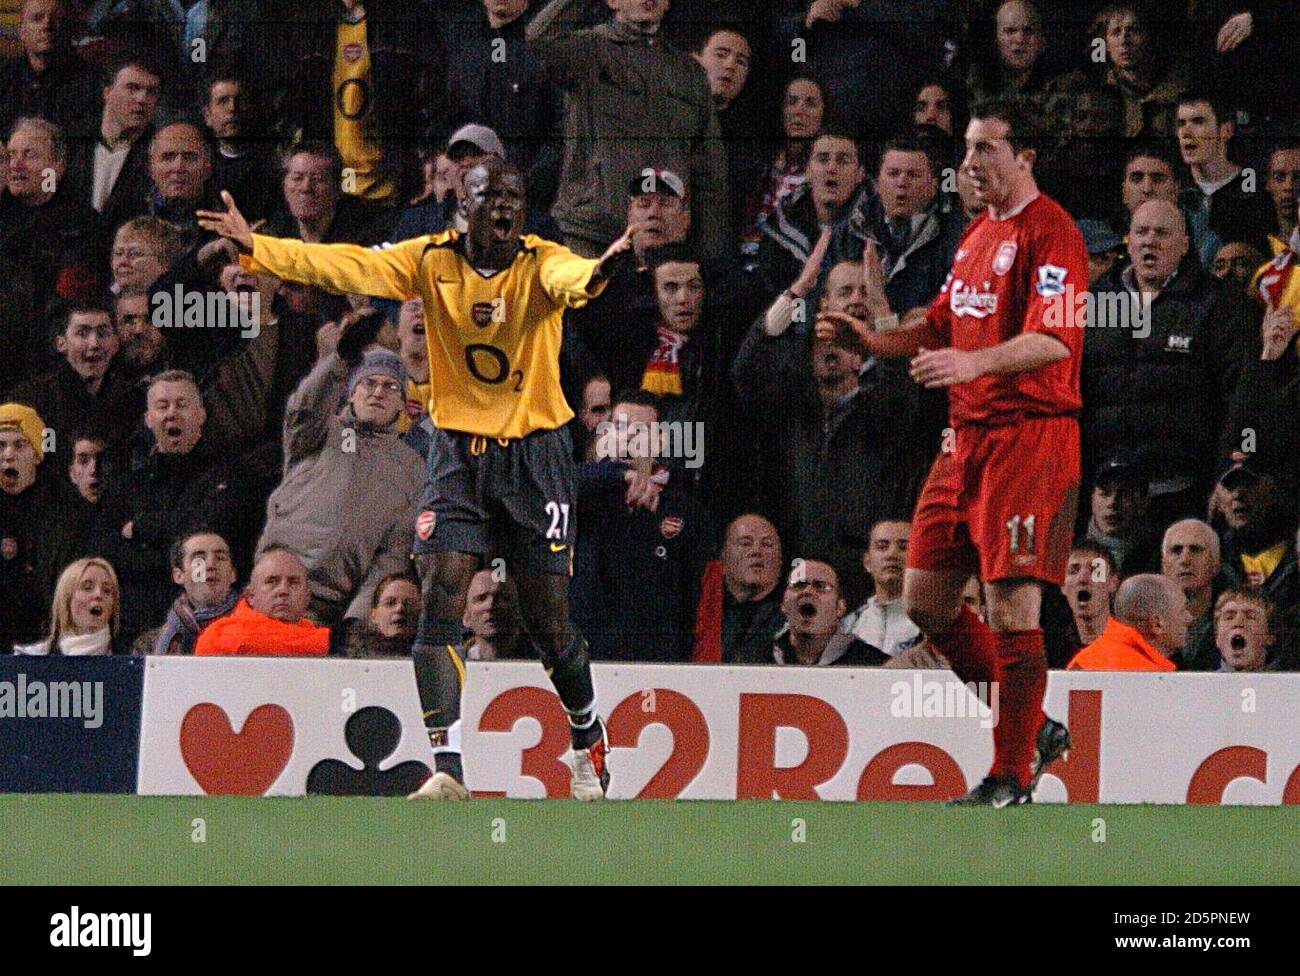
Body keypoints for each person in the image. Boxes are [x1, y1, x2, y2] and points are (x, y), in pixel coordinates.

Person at [197, 156, 641, 801]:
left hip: (535, 457)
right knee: (441, 593)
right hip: (458, 455)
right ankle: (448, 769)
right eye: (492, 194)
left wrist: (602, 269)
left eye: (517, 194)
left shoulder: (540, 261)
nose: (506, 206)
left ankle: (586, 740)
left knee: (548, 623)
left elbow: (576, 278)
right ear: (464, 206)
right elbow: (347, 264)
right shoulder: (428, 259)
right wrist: (260, 248)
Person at [814, 96, 1087, 805]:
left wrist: (975, 364)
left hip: (1030, 436)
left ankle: (1009, 772)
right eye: (967, 149)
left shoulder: (1053, 231)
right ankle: (1033, 728)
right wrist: (870, 341)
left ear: (1024, 157)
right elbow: (936, 327)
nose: (971, 163)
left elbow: (1057, 339)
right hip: (964, 442)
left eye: (987, 149)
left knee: (1012, 612)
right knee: (926, 600)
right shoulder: (973, 237)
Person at [1082, 200, 1256, 523]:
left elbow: (1239, 396)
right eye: (1141, 232)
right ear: (1128, 241)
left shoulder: (1217, 304)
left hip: (1183, 490)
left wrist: (1223, 472)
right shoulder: (1094, 300)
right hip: (1105, 489)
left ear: (1184, 245)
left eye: (1162, 233)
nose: (1150, 241)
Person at [256, 313, 424, 629]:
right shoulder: (320, 432)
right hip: (272, 591)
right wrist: (337, 361)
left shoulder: (413, 468)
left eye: (390, 387)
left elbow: (393, 554)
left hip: (329, 610)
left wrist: (359, 618)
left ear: (403, 403)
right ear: (351, 392)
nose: (378, 392)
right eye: (368, 383)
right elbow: (302, 409)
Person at [527, 0, 729, 259]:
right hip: (590, 233)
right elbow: (537, 40)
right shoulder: (588, 49)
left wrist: (711, 257)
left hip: (662, 239)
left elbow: (710, 173)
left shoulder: (689, 74)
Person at [571, 389, 713, 662]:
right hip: (586, 659)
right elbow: (561, 483)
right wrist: (620, 476)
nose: (628, 438)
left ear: (660, 441)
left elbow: (691, 602)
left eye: (640, 431)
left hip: (653, 665)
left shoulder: (683, 509)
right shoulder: (585, 495)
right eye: (620, 428)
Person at [1175, 89, 1277, 266]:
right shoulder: (1174, 190)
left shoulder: (1257, 190)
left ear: (1226, 130)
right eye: (1181, 123)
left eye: (1198, 122)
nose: (1186, 132)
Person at [63, 53, 163, 228]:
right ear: (107, 93)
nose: (142, 99)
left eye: (151, 92)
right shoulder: (69, 143)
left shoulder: (161, 154)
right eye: (132, 88)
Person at [739, 75, 823, 257]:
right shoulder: (759, 163)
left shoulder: (824, 172)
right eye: (791, 102)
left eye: (810, 103)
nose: (799, 111)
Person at [195, 546, 331, 656]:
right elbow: (248, 640)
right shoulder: (219, 634)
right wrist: (328, 643)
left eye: (293, 582)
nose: (283, 590)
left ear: (308, 597)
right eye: (272, 582)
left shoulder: (311, 632)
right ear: (250, 596)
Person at [692, 512, 784, 664]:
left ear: (780, 560)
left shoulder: (792, 615)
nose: (756, 551)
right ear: (723, 557)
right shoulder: (701, 609)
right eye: (745, 543)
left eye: (767, 544)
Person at [0, 0, 101, 137]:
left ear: (68, 27)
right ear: (22, 31)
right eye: (37, 18)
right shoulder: (4, 78)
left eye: (57, 19)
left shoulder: (93, 83)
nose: (46, 25)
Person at [0, 402, 55, 650]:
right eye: (0, 446)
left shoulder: (59, 511)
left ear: (36, 454)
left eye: (19, 445)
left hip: (41, 641)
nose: (8, 455)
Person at [135, 528, 239, 655]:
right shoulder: (149, 645)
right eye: (199, 559)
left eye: (220, 558)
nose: (211, 565)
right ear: (178, 575)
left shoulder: (255, 632)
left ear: (233, 574)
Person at [1065, 573, 1189, 671]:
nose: (1189, 618)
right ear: (1157, 624)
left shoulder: (1084, 661)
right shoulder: (1150, 678)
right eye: (1182, 611)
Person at [772, 558, 880, 666]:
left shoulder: (872, 664)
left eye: (821, 587)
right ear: (783, 604)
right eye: (798, 585)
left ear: (839, 607)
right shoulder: (759, 655)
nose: (807, 591)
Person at [842, 518, 924, 660]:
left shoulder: (934, 625)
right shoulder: (847, 627)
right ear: (867, 562)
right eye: (882, 547)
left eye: (904, 547)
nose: (892, 555)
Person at [13, 556, 119, 656]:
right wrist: (23, 675)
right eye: (87, 587)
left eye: (107, 590)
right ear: (66, 599)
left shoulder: (129, 658)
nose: (98, 595)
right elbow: (21, 675)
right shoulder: (31, 660)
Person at [1162, 518, 1226, 671]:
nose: (1185, 560)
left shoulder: (1234, 621)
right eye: (1176, 550)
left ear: (1216, 563)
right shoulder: (1145, 625)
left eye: (1196, 550)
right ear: (1164, 565)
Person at [1056, 540, 1120, 666]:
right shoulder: (1053, 652)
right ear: (1062, 585)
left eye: (1095, 570)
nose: (1083, 578)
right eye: (1073, 571)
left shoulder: (1131, 643)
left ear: (1113, 582)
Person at [346, 571, 421, 658]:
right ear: (373, 615)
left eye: (409, 604)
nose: (399, 608)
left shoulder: (432, 658)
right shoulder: (354, 660)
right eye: (390, 603)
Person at [1213, 587, 1278, 672]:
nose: (1238, 623)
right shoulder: (1201, 684)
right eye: (1229, 617)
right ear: (1217, 638)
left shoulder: (1287, 684)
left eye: (1250, 617)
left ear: (1269, 636)